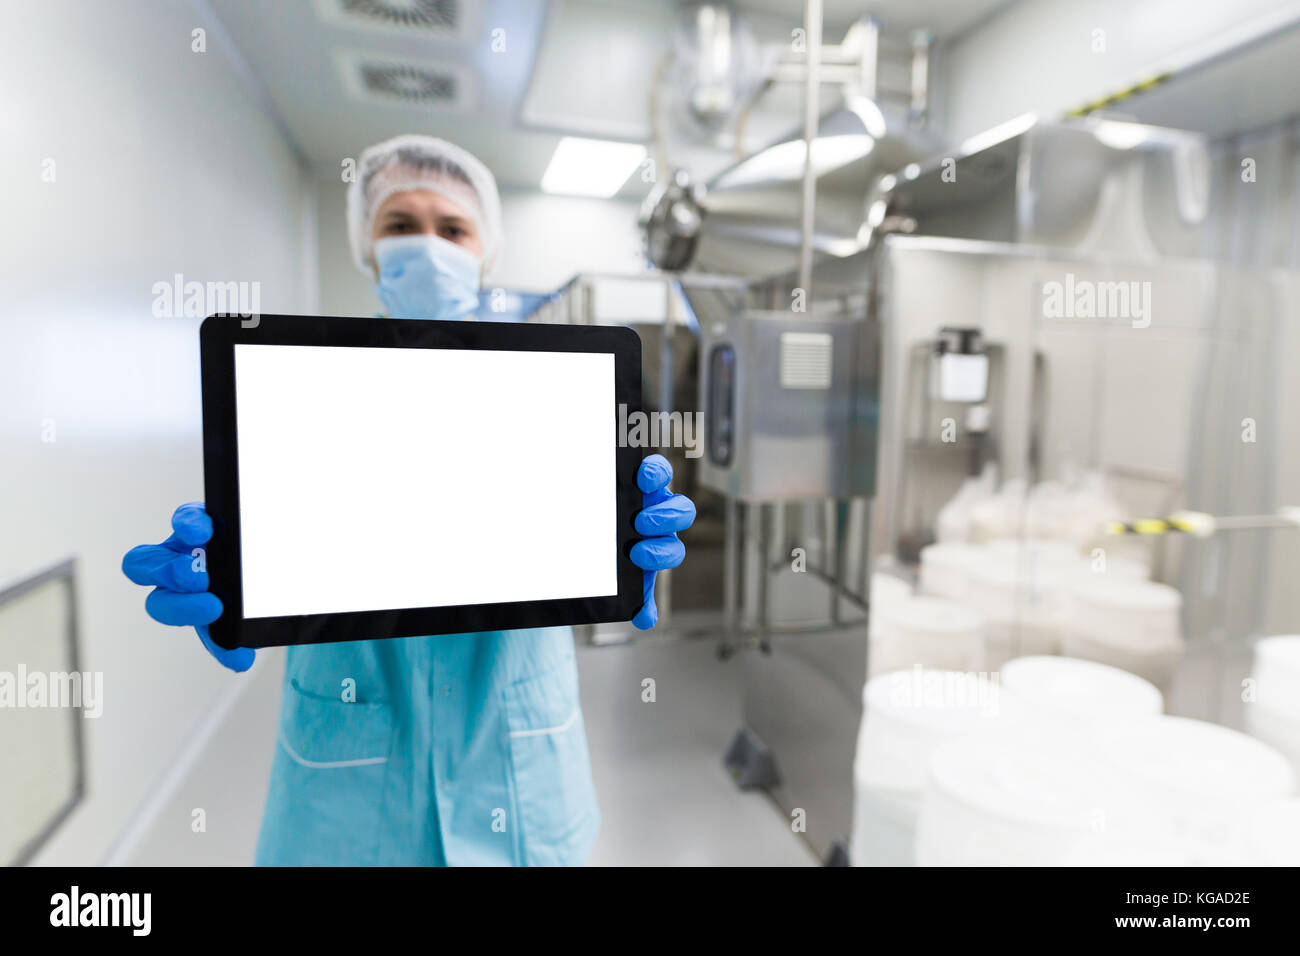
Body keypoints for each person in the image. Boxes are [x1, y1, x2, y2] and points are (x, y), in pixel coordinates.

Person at [122, 135, 696, 866]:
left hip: (519, 767)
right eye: (400, 224)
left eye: (453, 228)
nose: (428, 245)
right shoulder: (299, 392)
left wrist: (627, 548)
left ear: (486, 250)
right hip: (345, 784)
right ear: (367, 243)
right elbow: (265, 532)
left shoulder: (555, 400)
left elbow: (611, 524)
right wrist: (227, 573)